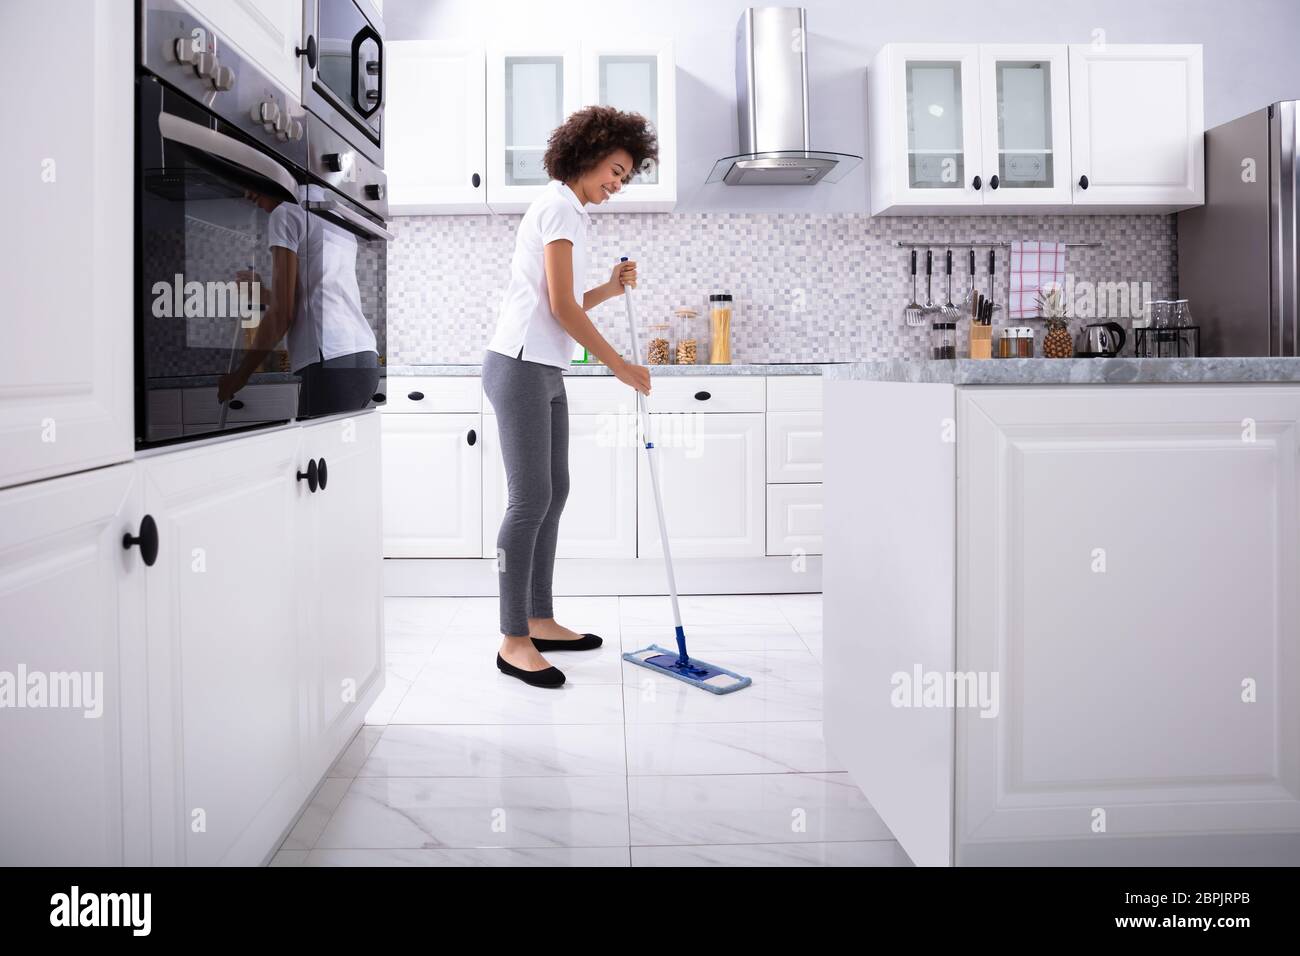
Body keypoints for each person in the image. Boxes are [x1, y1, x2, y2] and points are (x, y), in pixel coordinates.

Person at [483, 105, 658, 688]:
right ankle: (513, 638)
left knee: (554, 493)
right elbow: (559, 308)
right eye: (615, 169)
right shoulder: (558, 206)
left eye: (626, 176)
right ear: (587, 155)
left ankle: (539, 616)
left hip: (545, 366)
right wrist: (620, 365)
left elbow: (566, 301)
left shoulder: (570, 213)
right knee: (529, 499)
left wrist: (609, 287)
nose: (618, 183)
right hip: (520, 364)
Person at [218, 185, 379, 418]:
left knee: (315, 451)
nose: (247, 192)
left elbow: (282, 315)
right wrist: (262, 293)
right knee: (334, 452)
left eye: (251, 182)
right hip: (363, 358)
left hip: (329, 362)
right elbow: (309, 297)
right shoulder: (332, 214)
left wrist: (239, 377)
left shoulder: (286, 213)